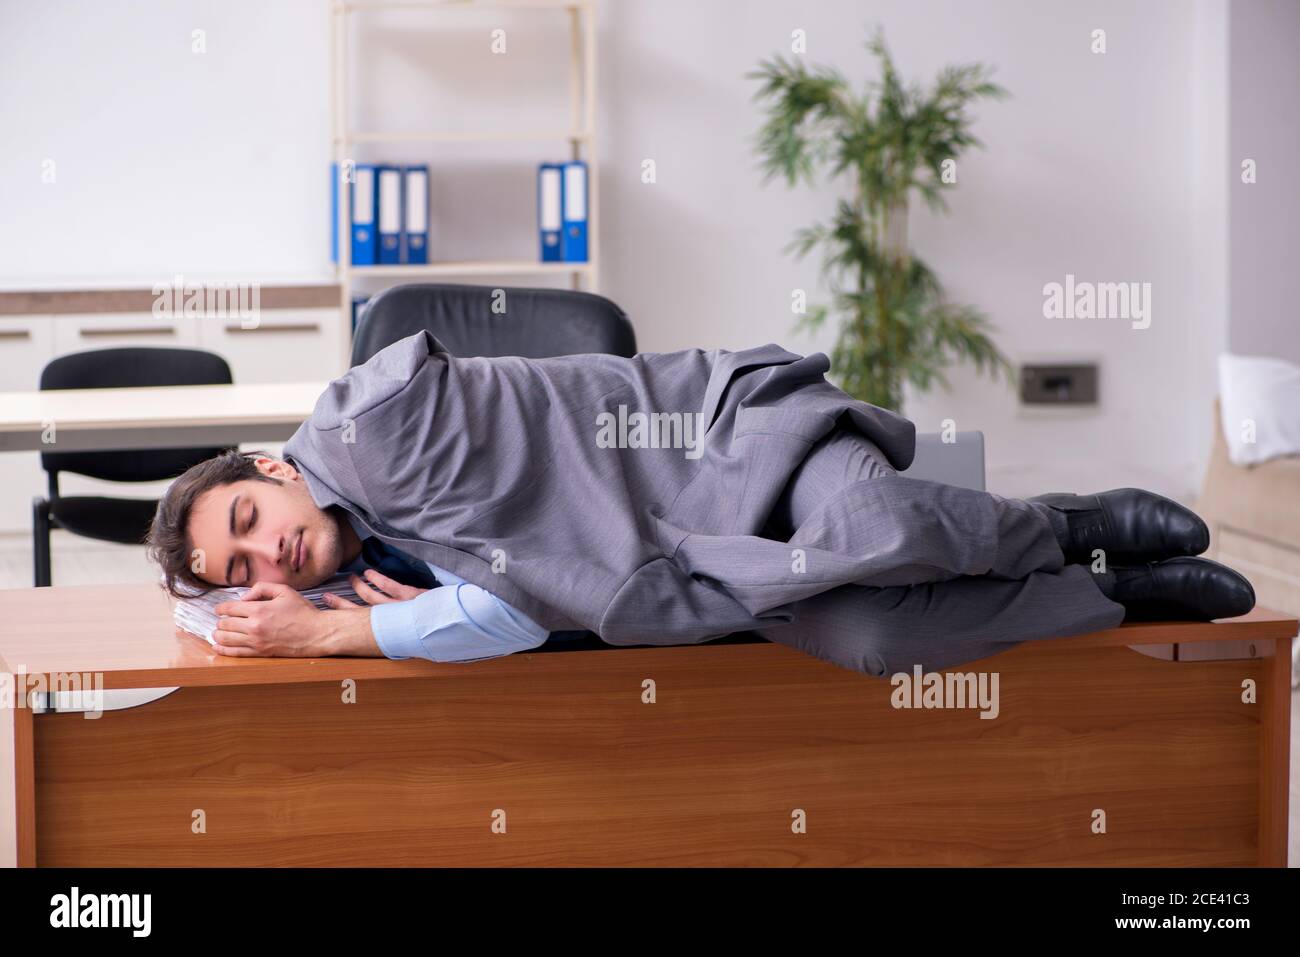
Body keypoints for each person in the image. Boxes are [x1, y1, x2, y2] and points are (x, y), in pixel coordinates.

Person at [146, 332, 1254, 677]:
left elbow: (522, 613)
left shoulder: (366, 427)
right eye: (244, 574)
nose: (266, 560)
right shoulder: (331, 560)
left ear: (271, 467)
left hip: (727, 455)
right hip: (706, 571)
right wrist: (256, 608)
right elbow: (198, 616)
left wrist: (349, 630)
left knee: (871, 530)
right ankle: (1113, 595)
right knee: (870, 637)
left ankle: (1064, 525)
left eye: (244, 522)